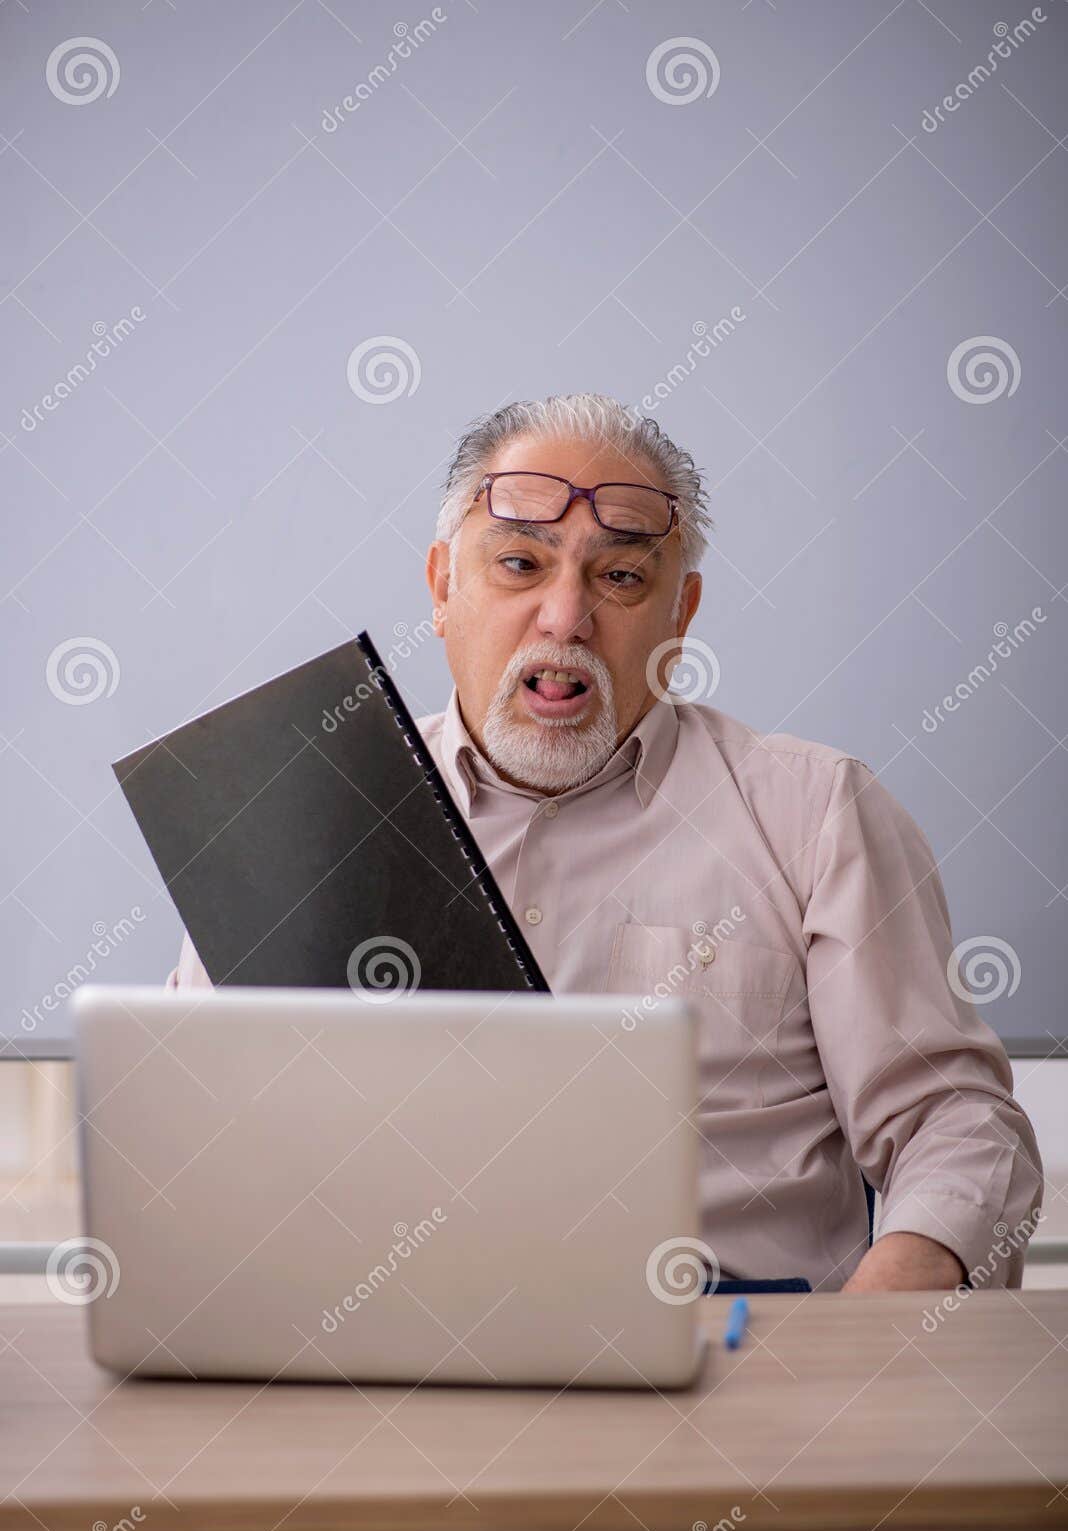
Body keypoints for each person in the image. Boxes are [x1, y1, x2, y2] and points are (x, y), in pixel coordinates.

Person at [168, 394, 1042, 1293]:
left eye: (620, 579)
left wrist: (879, 1324)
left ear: (680, 614)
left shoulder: (815, 814)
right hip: (383, 1350)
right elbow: (189, 1131)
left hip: (735, 1364)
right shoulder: (308, 819)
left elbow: (956, 1123)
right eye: (519, 564)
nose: (564, 617)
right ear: (441, 589)